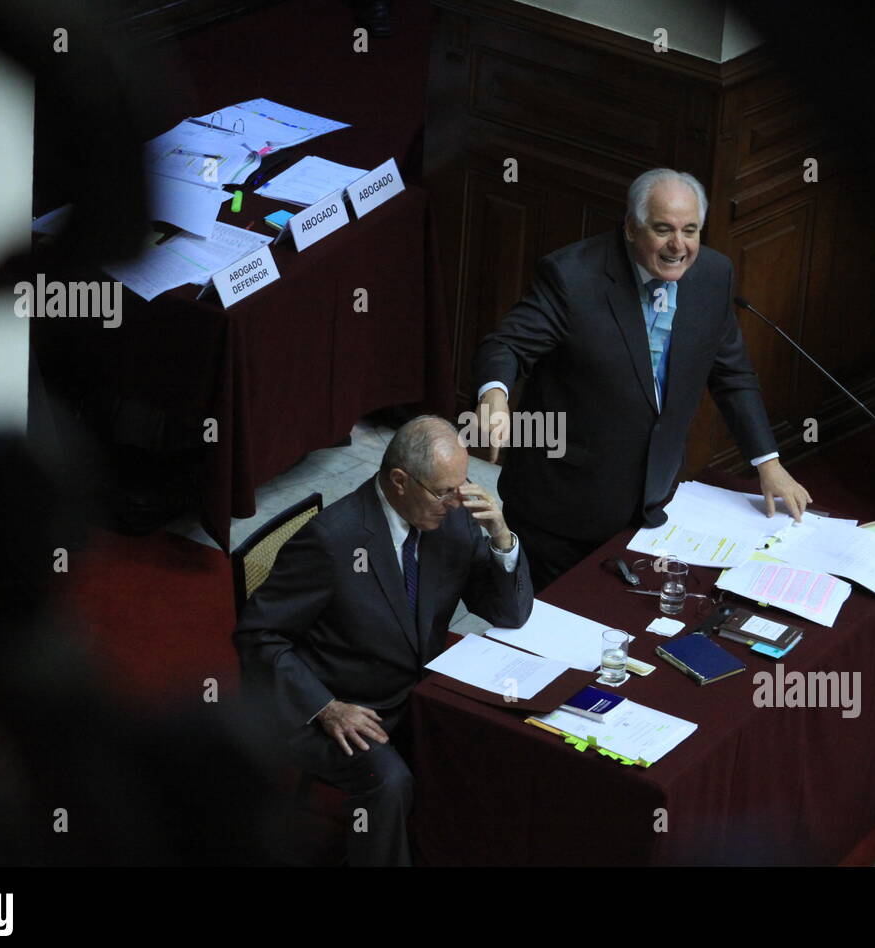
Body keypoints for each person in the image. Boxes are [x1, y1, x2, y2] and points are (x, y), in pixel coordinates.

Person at [472, 168, 813, 592]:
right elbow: (506, 345)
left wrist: (769, 462)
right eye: (663, 229)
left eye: (690, 230)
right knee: (546, 626)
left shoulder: (712, 275)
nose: (679, 246)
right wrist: (494, 396)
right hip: (563, 504)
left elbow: (732, 374)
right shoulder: (572, 277)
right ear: (632, 228)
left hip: (653, 498)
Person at [232, 415, 532, 865]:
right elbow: (258, 635)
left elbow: (509, 611)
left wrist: (501, 536)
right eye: (444, 491)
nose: (457, 501)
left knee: (497, 746)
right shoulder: (333, 542)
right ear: (398, 481)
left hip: (413, 693)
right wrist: (325, 707)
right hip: (338, 707)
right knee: (389, 782)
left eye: (462, 485)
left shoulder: (450, 520)